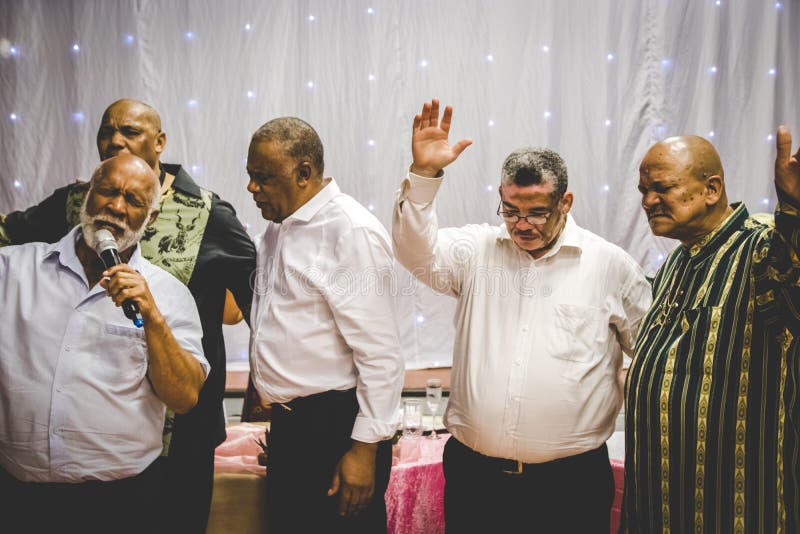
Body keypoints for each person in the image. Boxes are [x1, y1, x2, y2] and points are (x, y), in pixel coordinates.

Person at [392, 99, 652, 533]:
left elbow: (652, 351)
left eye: (536, 212)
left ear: (565, 202)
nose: (521, 224)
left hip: (571, 485)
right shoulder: (476, 252)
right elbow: (413, 252)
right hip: (476, 480)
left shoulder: (610, 265)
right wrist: (424, 177)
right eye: (511, 210)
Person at [0, 98, 257, 532]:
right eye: (107, 130)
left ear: (160, 143)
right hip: (45, 465)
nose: (116, 140)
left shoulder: (208, 213)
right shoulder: (72, 204)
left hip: (178, 432)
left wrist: (269, 375)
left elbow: (256, 295)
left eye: (131, 132)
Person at [623, 128, 800, 532]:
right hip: (660, 507)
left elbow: (793, 289)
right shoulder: (673, 266)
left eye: (661, 188)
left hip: (735, 511)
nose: (648, 201)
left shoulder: (760, 248)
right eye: (643, 190)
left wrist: (793, 211)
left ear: (711, 189)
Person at [246, 116, 404, 533]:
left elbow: (381, 354)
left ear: (304, 173)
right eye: (250, 176)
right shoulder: (277, 228)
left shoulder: (348, 231)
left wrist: (364, 450)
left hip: (337, 431)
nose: (251, 188)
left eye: (262, 177)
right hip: (291, 428)